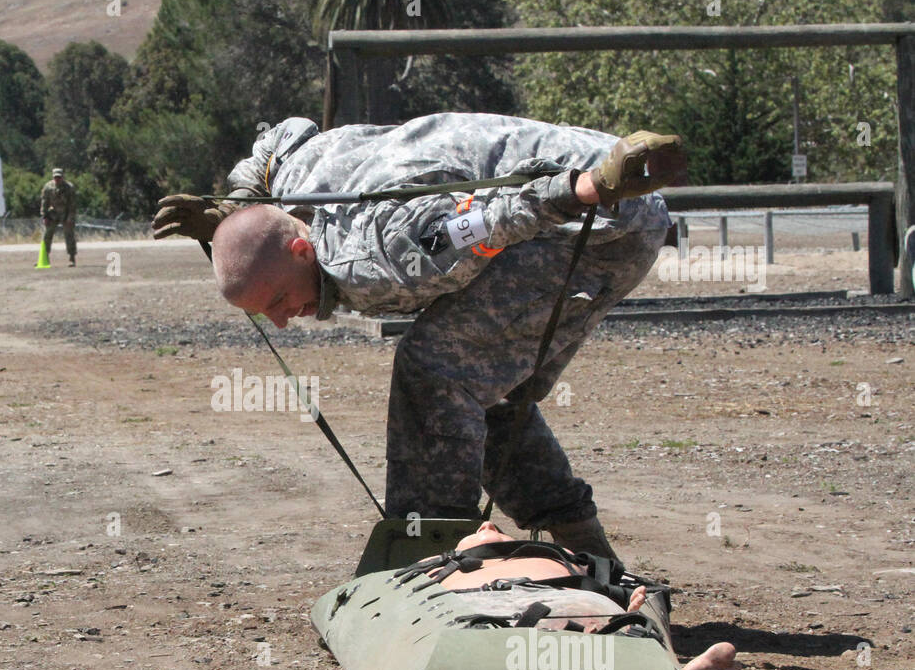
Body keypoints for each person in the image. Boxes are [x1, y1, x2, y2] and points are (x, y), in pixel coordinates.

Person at [152, 114, 687, 559]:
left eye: (277, 302)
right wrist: (240, 202)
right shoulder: (299, 179)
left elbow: (479, 223)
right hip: (585, 194)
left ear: (300, 250)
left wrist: (588, 187)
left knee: (436, 371)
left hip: (599, 216)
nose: (284, 321)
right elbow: (279, 137)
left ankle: (430, 554)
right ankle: (592, 559)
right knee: (482, 386)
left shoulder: (375, 254)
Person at [426, 519, 741, 670]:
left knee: (519, 647)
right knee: (603, 637)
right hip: (540, 604)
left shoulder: (437, 567)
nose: (487, 525)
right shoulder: (557, 556)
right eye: (480, 531)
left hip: (503, 606)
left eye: (494, 528)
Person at [40, 167, 77, 266]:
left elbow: (72, 204)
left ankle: (72, 257)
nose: (57, 179)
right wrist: (45, 216)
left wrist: (70, 217)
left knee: (69, 235)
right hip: (53, 213)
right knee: (47, 235)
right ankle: (44, 257)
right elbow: (44, 202)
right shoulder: (48, 187)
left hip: (66, 213)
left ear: (63, 177)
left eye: (59, 177)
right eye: (55, 177)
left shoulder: (69, 187)